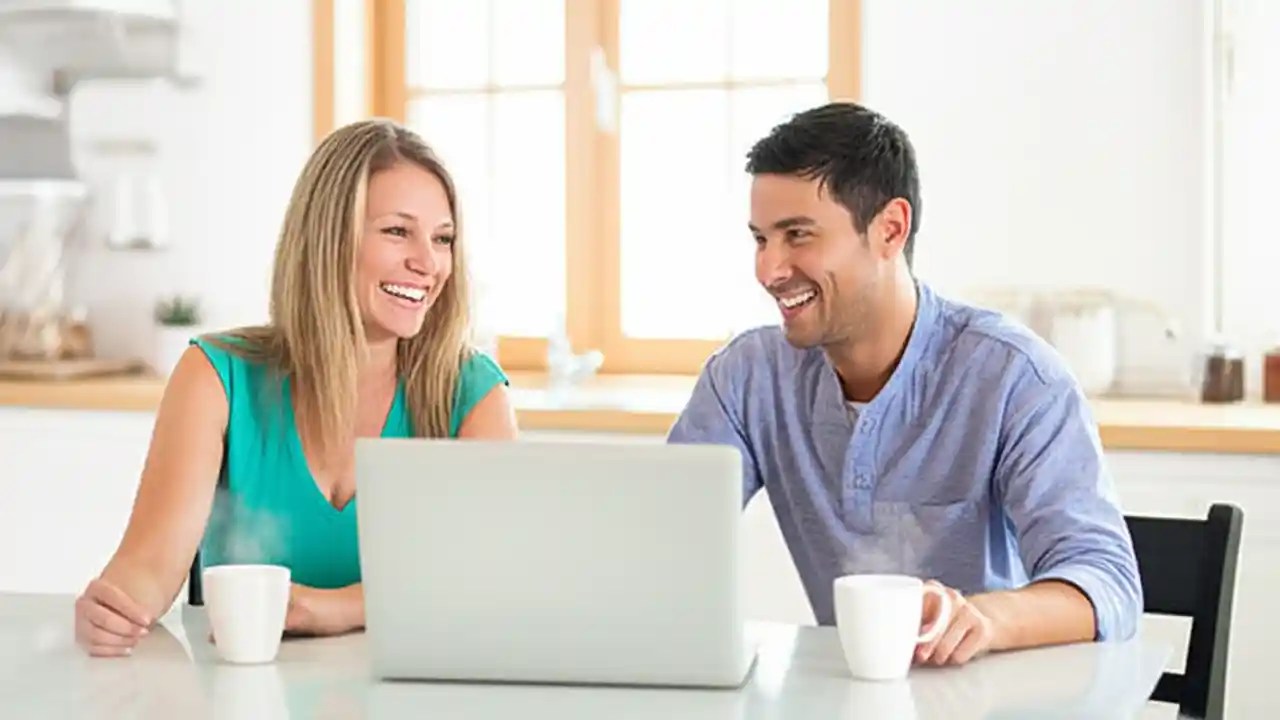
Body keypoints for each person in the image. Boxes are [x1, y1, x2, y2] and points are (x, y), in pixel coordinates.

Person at [667, 102, 1141, 667]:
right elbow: (657, 541)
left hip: (998, 702)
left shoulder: (1014, 377)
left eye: (797, 236)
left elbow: (1108, 584)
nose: (769, 270)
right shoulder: (747, 378)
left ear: (890, 229)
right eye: (760, 240)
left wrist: (982, 617)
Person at [73, 119, 518, 657]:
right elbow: (144, 573)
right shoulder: (216, 378)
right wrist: (111, 612)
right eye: (398, 231)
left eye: (442, 239)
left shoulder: (474, 396)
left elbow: (487, 586)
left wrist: (328, 609)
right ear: (330, 238)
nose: (428, 263)